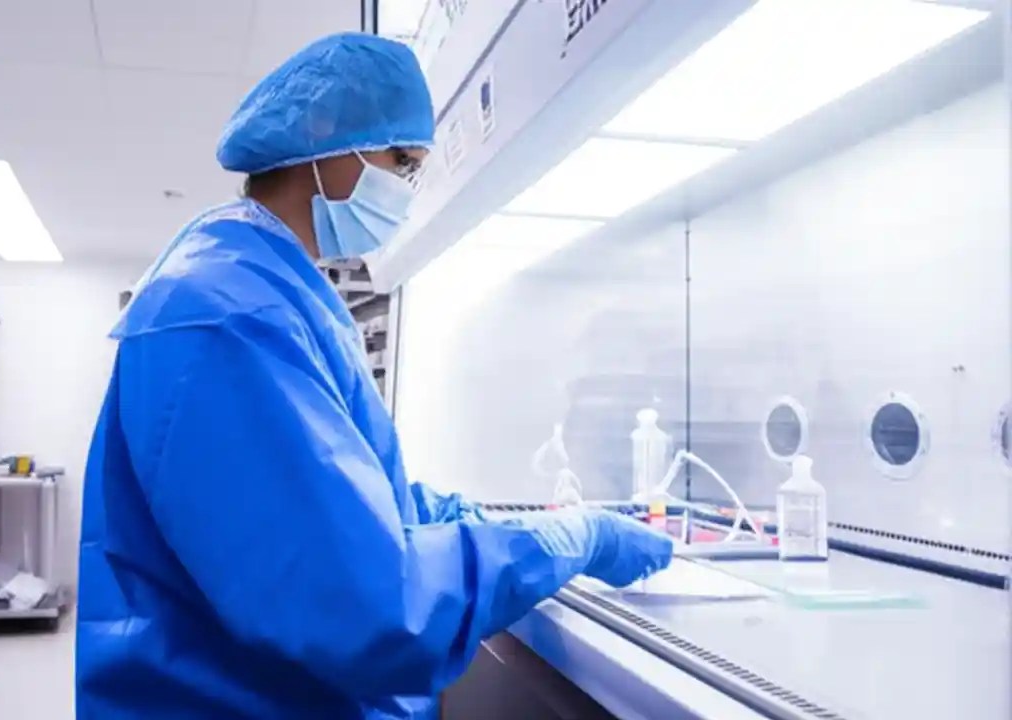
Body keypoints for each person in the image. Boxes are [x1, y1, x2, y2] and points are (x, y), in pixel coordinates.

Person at [75, 32, 674, 719]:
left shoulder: (263, 285)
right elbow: (365, 604)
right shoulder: (230, 314)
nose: (407, 189)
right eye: (402, 162)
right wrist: (566, 541)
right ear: (326, 140)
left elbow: (336, 497)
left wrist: (465, 518)